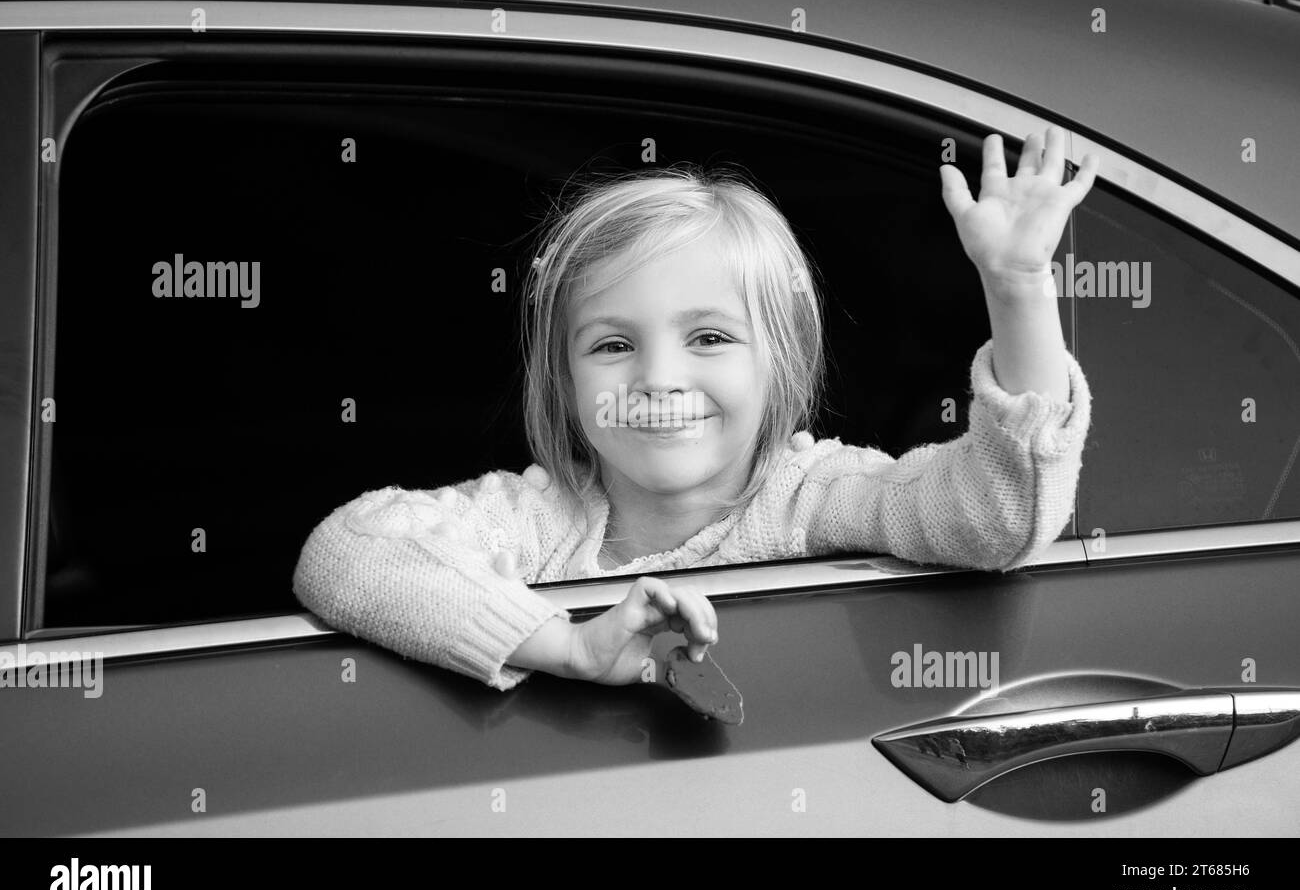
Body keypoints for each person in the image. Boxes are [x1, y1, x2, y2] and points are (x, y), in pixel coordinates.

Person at [292, 126, 1099, 692]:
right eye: (612, 346)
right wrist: (565, 645)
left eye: (709, 337)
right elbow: (347, 550)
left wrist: (1018, 289)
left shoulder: (811, 495)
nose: (657, 378)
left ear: (777, 362)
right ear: (562, 381)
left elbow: (997, 517)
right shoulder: (535, 516)